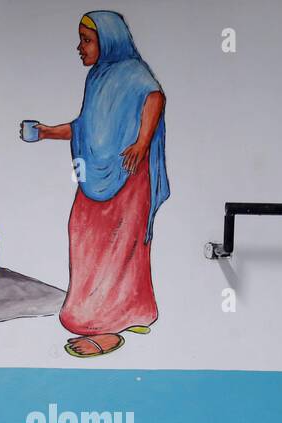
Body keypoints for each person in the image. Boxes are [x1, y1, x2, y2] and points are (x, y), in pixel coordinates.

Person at [23, 10, 169, 358]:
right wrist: (46, 131)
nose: (80, 47)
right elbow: (85, 128)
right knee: (90, 235)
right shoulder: (98, 79)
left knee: (113, 245)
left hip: (129, 175)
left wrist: (141, 143)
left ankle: (102, 329)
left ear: (108, 41)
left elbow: (155, 98)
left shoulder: (132, 73)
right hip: (99, 175)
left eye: (86, 40)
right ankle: (134, 311)